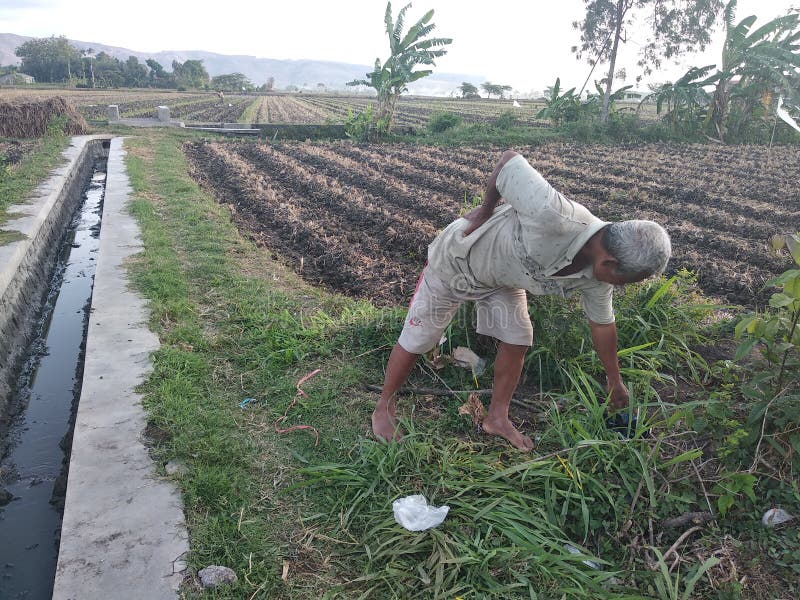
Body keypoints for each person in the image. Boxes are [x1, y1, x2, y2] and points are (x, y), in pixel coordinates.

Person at [372, 150, 671, 451]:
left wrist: (614, 379)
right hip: (457, 262)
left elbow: (603, 325)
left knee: (518, 337)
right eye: (624, 282)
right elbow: (508, 160)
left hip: (502, 280)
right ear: (609, 263)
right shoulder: (554, 214)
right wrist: (485, 209)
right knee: (420, 336)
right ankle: (384, 404)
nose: (620, 288)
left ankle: (496, 418)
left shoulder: (597, 277)